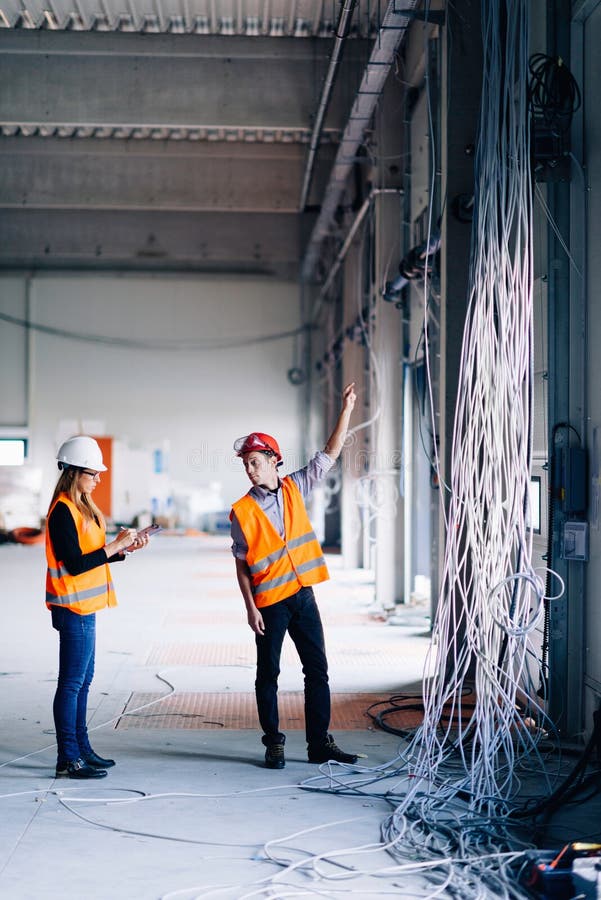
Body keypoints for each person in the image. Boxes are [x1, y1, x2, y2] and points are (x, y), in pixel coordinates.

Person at [230, 383, 359, 769]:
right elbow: (239, 563)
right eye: (246, 463)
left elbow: (329, 454)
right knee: (267, 674)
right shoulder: (241, 511)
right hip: (269, 604)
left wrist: (347, 408)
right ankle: (274, 742)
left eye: (255, 461)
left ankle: (319, 744)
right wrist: (250, 608)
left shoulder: (294, 488)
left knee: (317, 670)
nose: (250, 469)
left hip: (303, 596)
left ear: (273, 460)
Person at [45, 435, 148, 780]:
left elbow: (91, 558)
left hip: (86, 605)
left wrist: (123, 550)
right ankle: (68, 757)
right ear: (74, 472)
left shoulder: (84, 506)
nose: (98, 479)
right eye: (93, 473)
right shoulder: (62, 510)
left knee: (84, 681)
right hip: (71, 608)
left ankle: (82, 750)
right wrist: (114, 545)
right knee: (72, 683)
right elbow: (74, 564)